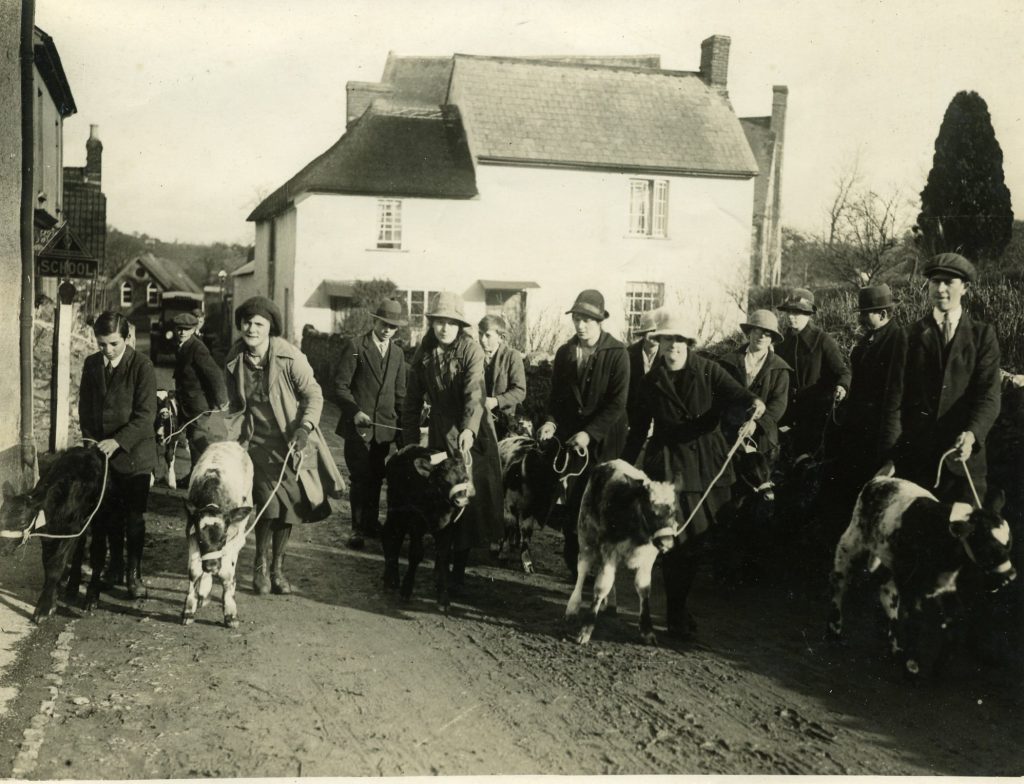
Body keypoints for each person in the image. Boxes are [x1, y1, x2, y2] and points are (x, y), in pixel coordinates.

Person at [622, 309, 765, 639]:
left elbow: (739, 395)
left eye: (680, 340)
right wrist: (626, 466)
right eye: (667, 339)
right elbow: (638, 428)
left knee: (698, 543)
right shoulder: (649, 382)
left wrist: (754, 403)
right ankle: (674, 615)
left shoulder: (709, 370)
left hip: (706, 463)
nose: (674, 346)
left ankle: (679, 608)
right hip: (670, 465)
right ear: (658, 342)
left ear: (689, 343)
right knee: (678, 544)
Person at [224, 296, 345, 595]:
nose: (251, 329)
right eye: (247, 323)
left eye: (258, 324)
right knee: (268, 503)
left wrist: (304, 429)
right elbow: (235, 405)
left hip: (291, 443)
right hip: (256, 443)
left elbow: (314, 396)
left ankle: (278, 568)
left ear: (270, 328)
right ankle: (259, 566)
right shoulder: (234, 359)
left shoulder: (291, 358)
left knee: (289, 507)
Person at [401, 291, 505, 589]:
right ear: (431, 324)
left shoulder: (470, 350)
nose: (444, 328)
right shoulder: (424, 353)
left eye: (450, 322)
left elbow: (475, 394)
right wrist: (410, 443)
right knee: (438, 497)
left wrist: (469, 429)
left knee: (468, 499)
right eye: (438, 322)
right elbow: (411, 400)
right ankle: (441, 566)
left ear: (460, 325)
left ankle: (458, 570)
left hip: (473, 431)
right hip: (438, 430)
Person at [892, 253, 1001, 504]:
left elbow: (989, 395)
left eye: (949, 282)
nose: (940, 288)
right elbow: (894, 400)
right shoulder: (909, 336)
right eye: (934, 281)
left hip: (962, 465)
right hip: (916, 464)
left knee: (963, 538)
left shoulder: (982, 336)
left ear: (965, 288)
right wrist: (891, 457)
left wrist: (972, 434)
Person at [537, 289, 629, 578]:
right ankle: (575, 566)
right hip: (571, 442)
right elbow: (555, 397)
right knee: (573, 502)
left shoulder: (617, 354)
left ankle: (602, 568)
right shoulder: (565, 352)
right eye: (577, 319)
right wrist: (551, 421)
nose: (581, 325)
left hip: (605, 442)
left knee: (602, 503)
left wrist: (590, 433)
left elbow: (617, 403)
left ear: (600, 321)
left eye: (588, 319)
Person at [77, 311, 158, 602]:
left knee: (133, 517)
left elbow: (146, 415)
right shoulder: (91, 365)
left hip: (134, 455)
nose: (107, 350)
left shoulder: (142, 366)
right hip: (102, 454)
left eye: (113, 343)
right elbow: (85, 409)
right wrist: (90, 443)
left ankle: (133, 574)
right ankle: (113, 567)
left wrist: (119, 441)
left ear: (127, 338)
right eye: (101, 344)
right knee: (106, 514)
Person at [334, 299, 408, 551]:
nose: (387, 330)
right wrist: (354, 411)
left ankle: (371, 522)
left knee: (377, 476)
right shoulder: (356, 347)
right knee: (360, 478)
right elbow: (340, 386)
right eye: (384, 324)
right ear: (374, 321)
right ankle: (356, 528)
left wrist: (403, 431)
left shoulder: (397, 354)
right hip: (359, 427)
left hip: (384, 429)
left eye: (393, 327)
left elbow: (400, 395)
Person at [834, 284, 907, 503]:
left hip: (880, 431)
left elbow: (896, 393)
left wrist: (889, 443)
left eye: (866, 314)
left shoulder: (898, 340)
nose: (861, 319)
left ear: (883, 314)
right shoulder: (867, 340)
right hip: (859, 429)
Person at [775, 288, 851, 460]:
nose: (791, 317)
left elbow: (842, 371)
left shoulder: (822, 340)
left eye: (798, 313)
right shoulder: (782, 343)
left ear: (809, 314)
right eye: (789, 312)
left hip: (813, 414)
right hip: (786, 411)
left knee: (807, 461)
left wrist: (842, 386)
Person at [717, 309, 791, 467]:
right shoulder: (728, 362)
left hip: (762, 439)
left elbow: (778, 404)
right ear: (749, 332)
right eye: (758, 331)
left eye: (768, 333)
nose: (762, 336)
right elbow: (718, 397)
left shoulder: (779, 368)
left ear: (772, 339)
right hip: (729, 435)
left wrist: (757, 424)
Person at [171, 311, 229, 488]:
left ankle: (214, 475)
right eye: (179, 329)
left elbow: (214, 374)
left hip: (198, 403)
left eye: (187, 329)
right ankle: (195, 477)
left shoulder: (198, 348)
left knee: (197, 438)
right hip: (185, 401)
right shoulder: (181, 345)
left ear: (194, 329)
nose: (182, 332)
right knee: (189, 438)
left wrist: (222, 399)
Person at [477, 314, 527, 440]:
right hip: (478, 422)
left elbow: (520, 391)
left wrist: (496, 401)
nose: (482, 339)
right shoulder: (475, 356)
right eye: (480, 334)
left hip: (504, 424)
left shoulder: (512, 357)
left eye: (488, 335)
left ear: (500, 337)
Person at [626, 309, 660, 420]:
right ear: (644, 333)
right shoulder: (629, 353)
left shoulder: (668, 354)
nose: (655, 335)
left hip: (659, 415)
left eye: (657, 331)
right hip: (633, 413)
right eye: (651, 331)